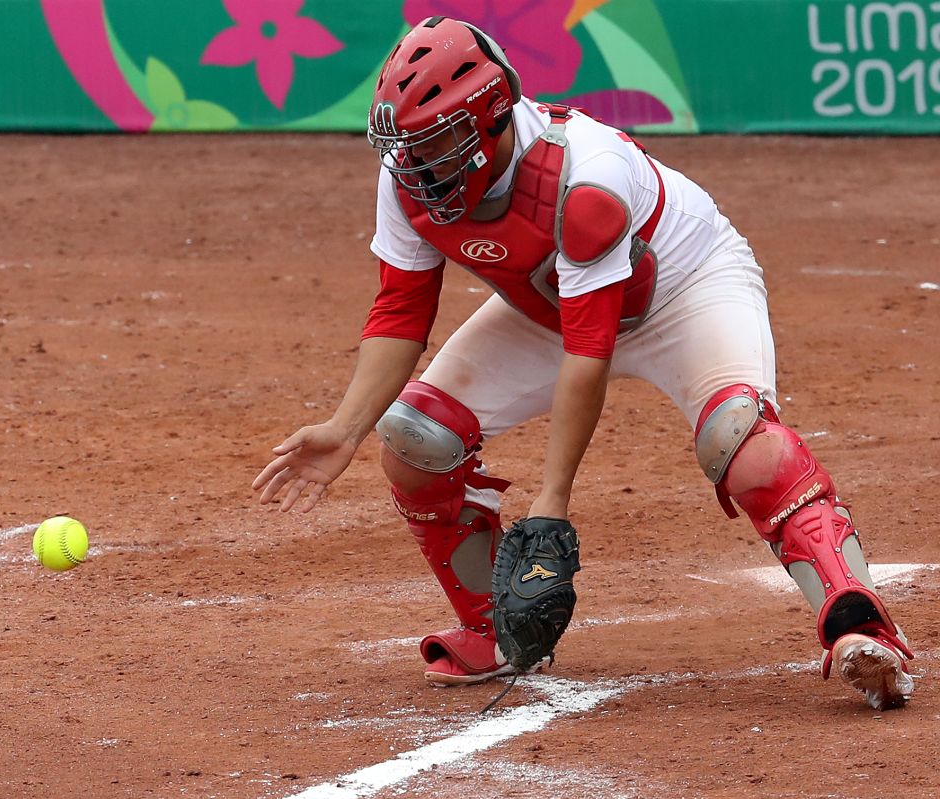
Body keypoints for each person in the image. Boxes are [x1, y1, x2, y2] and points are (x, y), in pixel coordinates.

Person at [251, 15, 914, 710]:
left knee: (742, 445)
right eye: (408, 145)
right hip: (554, 301)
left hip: (684, 291)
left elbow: (588, 352)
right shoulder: (409, 184)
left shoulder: (584, 178)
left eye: (437, 141)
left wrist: (551, 505)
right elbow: (399, 313)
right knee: (415, 440)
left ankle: (859, 623)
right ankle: (495, 628)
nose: (415, 163)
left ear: (491, 120)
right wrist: (346, 428)